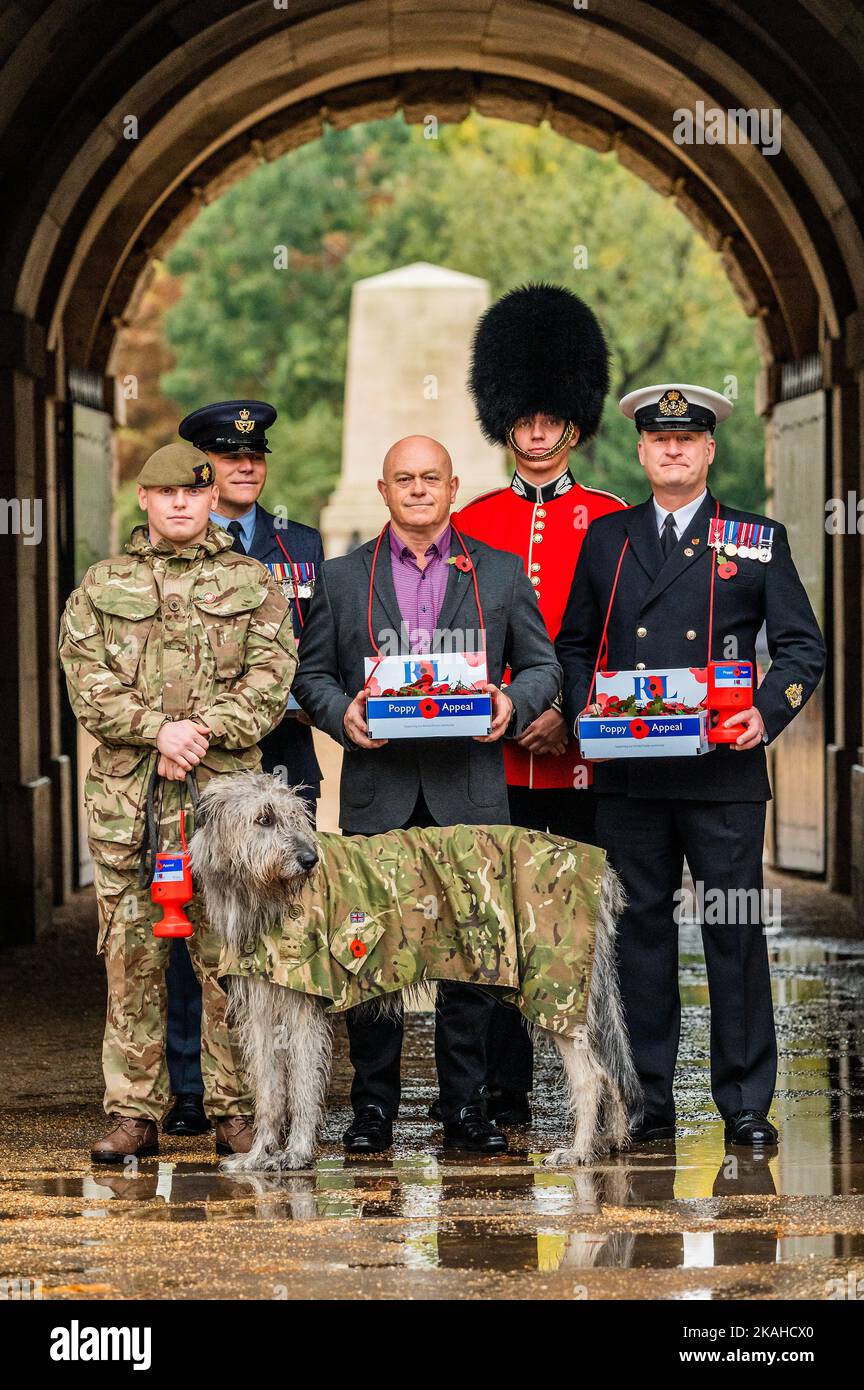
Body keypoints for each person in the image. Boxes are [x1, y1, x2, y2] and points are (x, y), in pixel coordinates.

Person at [556, 384, 826, 1147]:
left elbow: (803, 648)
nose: (673, 450)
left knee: (734, 933)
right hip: (631, 776)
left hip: (722, 774)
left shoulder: (755, 537)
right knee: (638, 936)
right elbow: (575, 646)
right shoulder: (607, 539)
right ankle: (647, 1102)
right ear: (642, 452)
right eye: (659, 440)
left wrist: (766, 712)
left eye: (688, 439)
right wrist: (583, 709)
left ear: (709, 451)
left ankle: (744, 1103)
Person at [292, 434, 562, 1155]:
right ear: (382, 490)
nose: (417, 489)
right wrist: (342, 713)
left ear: (452, 488)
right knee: (367, 953)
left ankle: (465, 1106)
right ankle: (373, 1107)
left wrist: (511, 704)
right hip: (378, 793)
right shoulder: (345, 578)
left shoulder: (499, 575)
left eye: (430, 478)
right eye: (403, 479)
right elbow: (310, 675)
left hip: (469, 793)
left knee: (471, 959)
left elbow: (544, 666)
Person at [59, 443, 297, 1162]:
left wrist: (201, 733)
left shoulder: (252, 582)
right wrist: (156, 730)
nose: (181, 505)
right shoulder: (102, 585)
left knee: (229, 961)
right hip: (130, 809)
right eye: (167, 495)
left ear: (211, 499)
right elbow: (86, 681)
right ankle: (134, 1113)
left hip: (223, 813)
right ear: (145, 500)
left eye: (194, 495)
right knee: (131, 959)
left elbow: (272, 675)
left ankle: (236, 1111)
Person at [453, 283, 625, 1125]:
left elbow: (622, 641)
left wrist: (573, 710)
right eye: (523, 417)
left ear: (573, 423)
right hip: (496, 754)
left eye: (551, 417)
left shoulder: (613, 520)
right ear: (506, 420)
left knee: (581, 929)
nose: (536, 431)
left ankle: (595, 1085)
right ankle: (504, 1087)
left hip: (585, 757)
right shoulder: (470, 522)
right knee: (498, 926)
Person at [158, 400, 323, 1138]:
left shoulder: (301, 546)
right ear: (203, 468)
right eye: (228, 457)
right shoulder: (176, 546)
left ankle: (278, 1090)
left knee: (288, 929)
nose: (246, 466)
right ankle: (194, 1082)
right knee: (197, 918)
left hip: (283, 757)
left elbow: (319, 652)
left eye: (255, 456)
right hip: (207, 768)